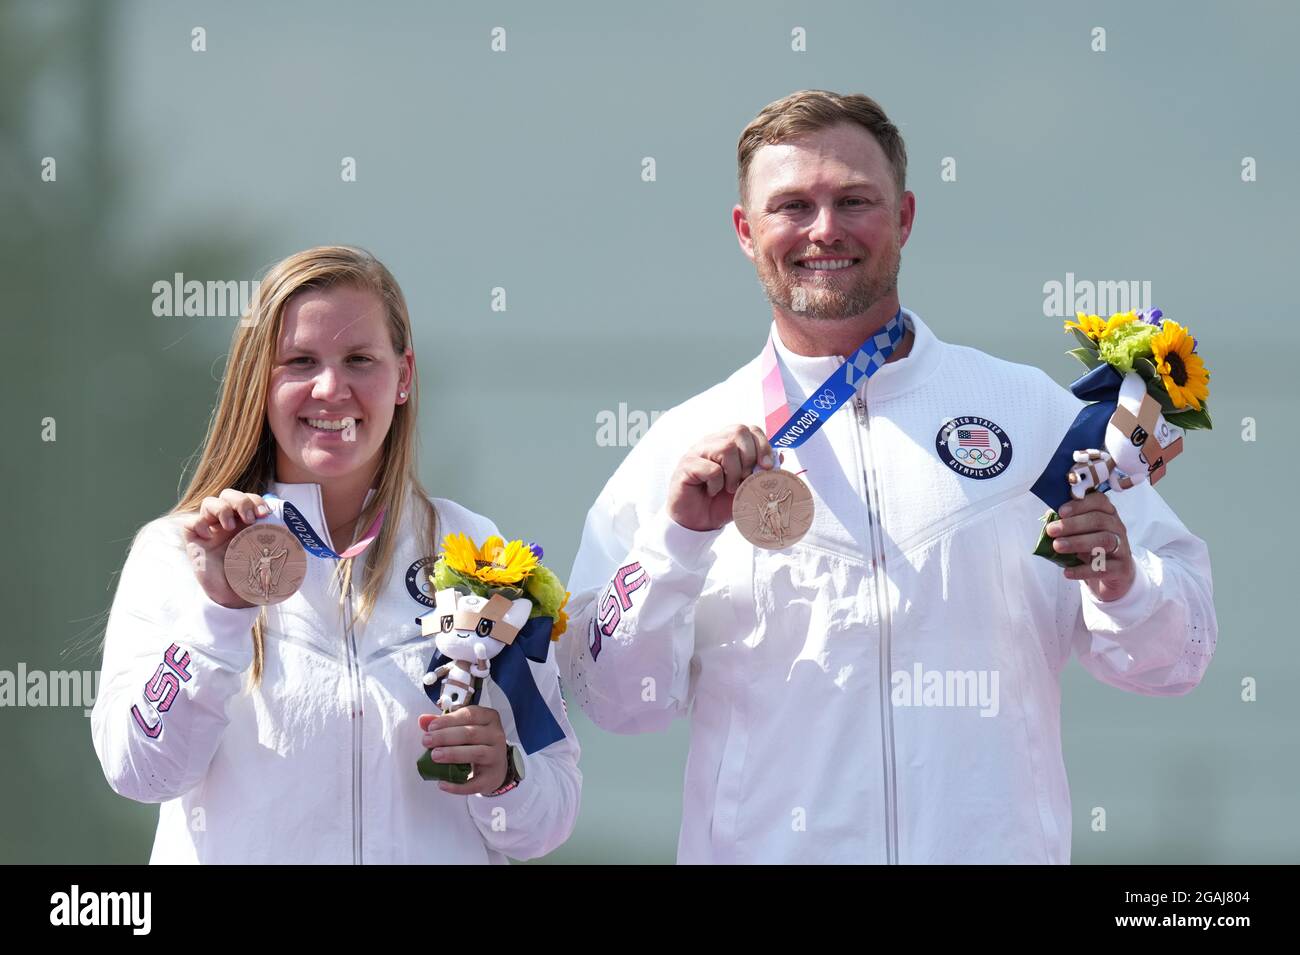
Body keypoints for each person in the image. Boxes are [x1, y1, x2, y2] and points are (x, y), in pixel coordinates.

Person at [559, 91, 1216, 864]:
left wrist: (1123, 583)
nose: (824, 229)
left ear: (904, 218)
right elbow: (607, 698)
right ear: (746, 231)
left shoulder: (1034, 416)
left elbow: (1179, 658)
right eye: (792, 205)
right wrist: (675, 544)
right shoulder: (679, 447)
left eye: (854, 200)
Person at [92, 246, 581, 863]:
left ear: (402, 377)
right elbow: (141, 774)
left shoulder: (481, 557)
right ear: (260, 381)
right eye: (300, 361)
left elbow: (550, 811)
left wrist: (506, 777)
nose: (331, 388)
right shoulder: (179, 553)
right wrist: (219, 611)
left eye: (359, 360)